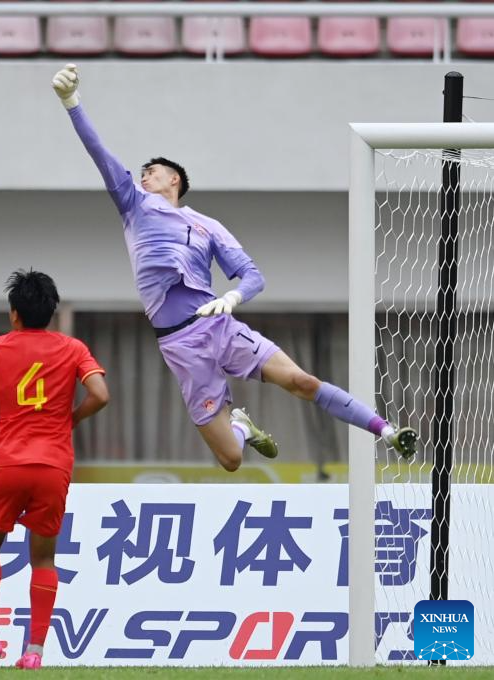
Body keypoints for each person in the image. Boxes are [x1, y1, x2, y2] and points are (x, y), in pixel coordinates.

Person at [50, 63, 418, 471]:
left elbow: (253, 275)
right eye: (141, 174)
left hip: (219, 326)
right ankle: (241, 425)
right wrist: (72, 103)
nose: (143, 177)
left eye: (151, 172)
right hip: (180, 344)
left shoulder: (209, 226)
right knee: (230, 458)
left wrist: (230, 297)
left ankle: (385, 430)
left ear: (175, 179)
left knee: (301, 381)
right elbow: (100, 154)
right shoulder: (135, 205)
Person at [0, 270, 109, 670]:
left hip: (8, 460)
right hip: (53, 463)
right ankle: (34, 653)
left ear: (14, 314)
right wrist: (72, 419)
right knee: (42, 559)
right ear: (52, 313)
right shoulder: (73, 348)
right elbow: (101, 394)